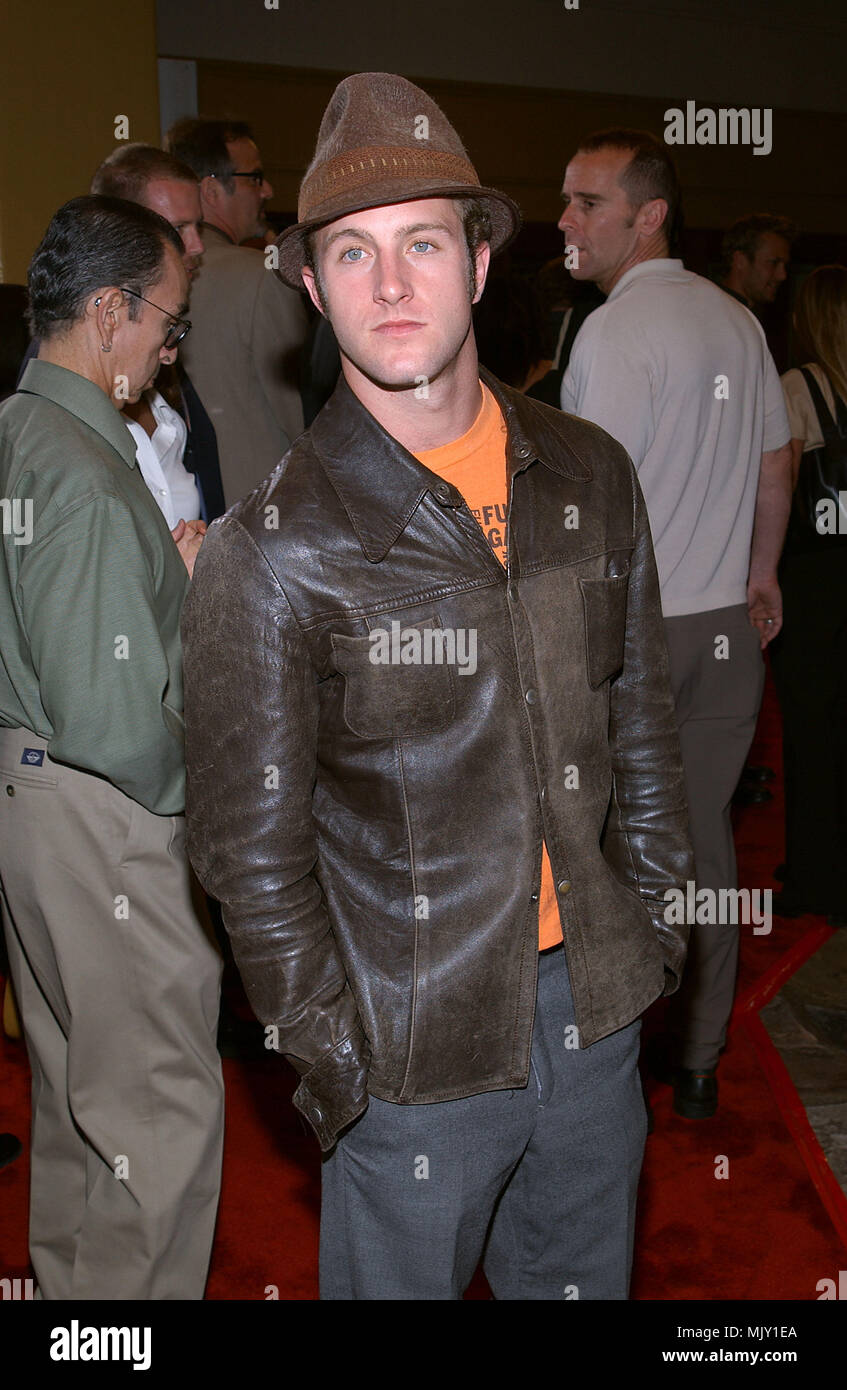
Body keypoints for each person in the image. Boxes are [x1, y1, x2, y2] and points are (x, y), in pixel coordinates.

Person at [181, 72, 692, 1302]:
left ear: (477, 261)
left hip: (596, 1017)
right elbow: (246, 854)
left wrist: (658, 926)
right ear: (310, 285)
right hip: (409, 1058)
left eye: (423, 241)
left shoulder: (586, 469)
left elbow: (641, 717)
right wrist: (340, 1064)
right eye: (353, 253)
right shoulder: (273, 546)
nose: (392, 283)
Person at [0, 196, 223, 1298]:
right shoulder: (88, 477)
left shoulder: (19, 429)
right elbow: (116, 720)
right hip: (107, 814)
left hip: (36, 801)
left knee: (81, 1096)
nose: (170, 350)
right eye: (168, 325)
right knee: (158, 1109)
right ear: (107, 311)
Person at [558, 129, 793, 1119]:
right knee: (702, 849)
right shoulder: (738, 320)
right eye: (564, 201)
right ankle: (695, 1061)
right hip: (727, 632)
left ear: (647, 216)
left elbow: (588, 502)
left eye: (585, 203)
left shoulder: (612, 333)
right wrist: (761, 572)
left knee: (606, 856)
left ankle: (609, 1062)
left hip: (634, 637)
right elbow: (775, 467)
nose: (564, 221)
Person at [165, 118, 309, 504]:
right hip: (266, 512)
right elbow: (298, 421)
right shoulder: (264, 275)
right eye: (255, 178)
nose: (268, 191)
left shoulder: (146, 278)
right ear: (211, 190)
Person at [771, 266, 847, 926]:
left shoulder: (802, 387)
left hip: (817, 579)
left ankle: (813, 878)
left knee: (809, 733)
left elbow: (783, 483)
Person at [720, 213, 796, 310]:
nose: (782, 276)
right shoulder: (715, 313)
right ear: (740, 260)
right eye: (773, 263)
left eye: (785, 265)